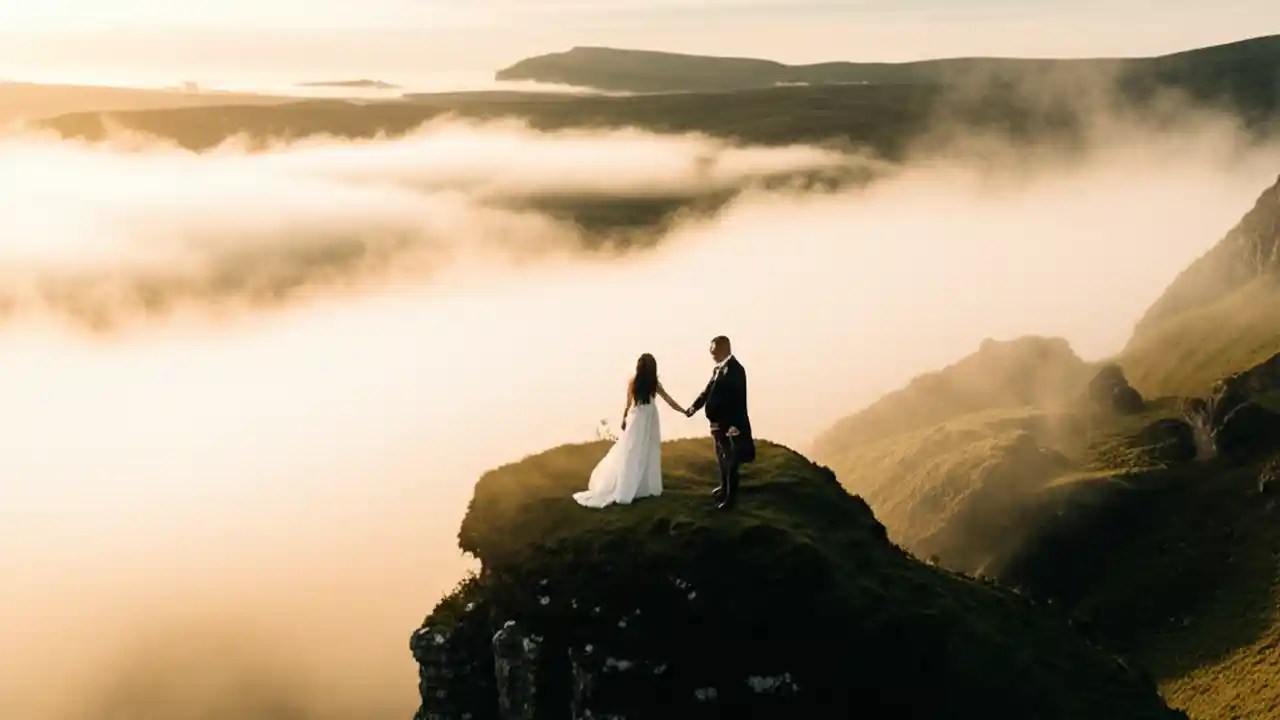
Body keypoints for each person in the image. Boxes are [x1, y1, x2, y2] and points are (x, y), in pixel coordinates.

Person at [574, 354, 686, 508]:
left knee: (631, 451)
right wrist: (684, 411)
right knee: (644, 451)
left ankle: (632, 485)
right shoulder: (653, 384)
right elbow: (669, 400)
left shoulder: (635, 382)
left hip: (637, 418)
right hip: (647, 419)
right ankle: (640, 486)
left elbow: (628, 404)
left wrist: (624, 419)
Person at [686, 336, 754, 510]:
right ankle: (724, 488)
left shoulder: (736, 370)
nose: (712, 353)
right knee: (722, 458)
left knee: (731, 462)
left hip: (729, 425)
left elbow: (739, 399)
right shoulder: (718, 369)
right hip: (717, 424)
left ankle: (731, 500)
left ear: (724, 349)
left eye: (714, 350)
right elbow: (707, 391)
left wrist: (735, 425)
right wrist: (694, 407)